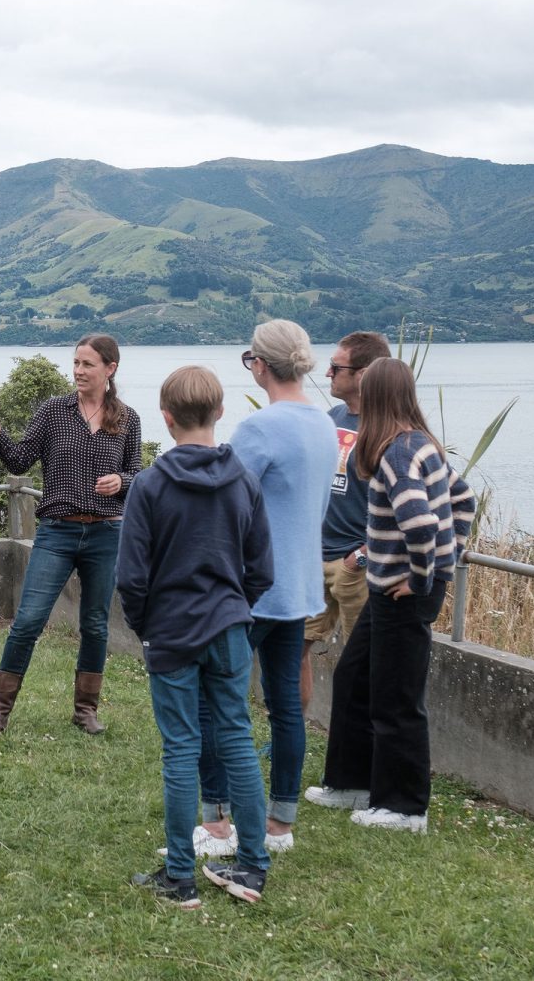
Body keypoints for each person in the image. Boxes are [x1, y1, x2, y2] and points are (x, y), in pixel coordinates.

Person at [119, 366, 274, 907]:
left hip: (172, 632)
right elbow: (261, 569)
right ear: (221, 412)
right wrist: (234, 607)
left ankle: (180, 878)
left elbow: (131, 576)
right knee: (236, 740)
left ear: (166, 418)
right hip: (230, 627)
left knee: (181, 750)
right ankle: (253, 865)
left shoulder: (150, 485)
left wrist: (147, 625)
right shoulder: (244, 481)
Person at [308, 357, 477, 832]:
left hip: (403, 592)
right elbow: (464, 500)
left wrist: (424, 576)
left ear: (377, 395)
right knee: (354, 677)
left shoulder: (399, 452)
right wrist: (448, 558)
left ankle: (403, 808)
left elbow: (421, 523)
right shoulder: (420, 444)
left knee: (396, 697)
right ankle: (351, 781)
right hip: (394, 588)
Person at [196, 319, 338, 857]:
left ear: (260, 364)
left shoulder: (262, 428)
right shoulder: (324, 424)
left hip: (252, 590)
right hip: (299, 587)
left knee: (217, 700)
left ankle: (216, 823)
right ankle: (281, 822)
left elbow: (220, 496)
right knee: (285, 706)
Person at [0, 334, 142, 739]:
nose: (78, 371)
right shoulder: (54, 411)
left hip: (106, 533)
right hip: (57, 532)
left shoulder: (127, 418)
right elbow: (20, 459)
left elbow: (139, 474)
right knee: (27, 621)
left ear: (110, 369)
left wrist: (122, 480)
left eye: (87, 364)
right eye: (75, 363)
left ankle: (85, 711)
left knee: (95, 625)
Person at [302, 331, 392, 705]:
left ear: (364, 373)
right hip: (318, 557)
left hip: (355, 565)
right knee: (293, 649)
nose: (327, 374)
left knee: (364, 665)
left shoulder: (388, 430)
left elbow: (402, 509)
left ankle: (361, 748)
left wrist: (360, 558)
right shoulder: (333, 417)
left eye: (336, 367)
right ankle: (290, 733)